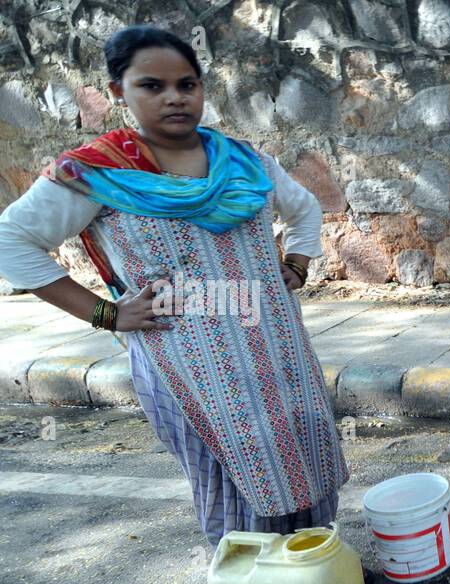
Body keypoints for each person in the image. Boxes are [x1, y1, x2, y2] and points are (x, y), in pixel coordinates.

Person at [0, 26, 346, 548]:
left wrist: (295, 264)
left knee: (303, 454)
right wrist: (106, 314)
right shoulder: (96, 173)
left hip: (278, 353)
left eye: (187, 84)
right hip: (186, 364)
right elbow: (12, 241)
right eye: (152, 86)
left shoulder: (244, 162)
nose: (174, 98)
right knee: (228, 477)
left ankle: (317, 570)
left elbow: (303, 209)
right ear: (119, 92)